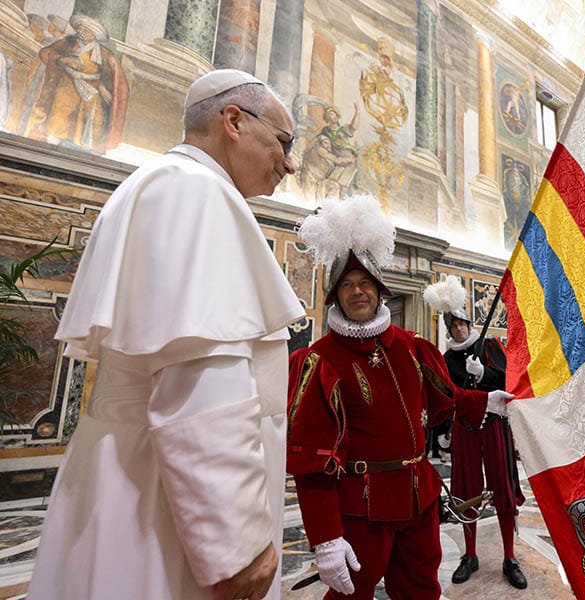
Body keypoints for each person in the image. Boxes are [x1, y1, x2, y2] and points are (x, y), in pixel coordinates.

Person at [27, 69, 305, 600]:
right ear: (233, 122)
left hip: (142, 483)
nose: (289, 164)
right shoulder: (197, 194)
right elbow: (201, 385)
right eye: (284, 142)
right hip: (162, 509)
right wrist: (238, 543)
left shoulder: (160, 185)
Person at [287, 195, 513, 599]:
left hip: (418, 499)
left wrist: (488, 401)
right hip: (361, 508)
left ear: (380, 291)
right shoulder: (319, 361)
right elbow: (310, 460)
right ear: (335, 296)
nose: (358, 292)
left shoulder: (412, 347)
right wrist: (326, 538)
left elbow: (447, 400)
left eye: (365, 284)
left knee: (421, 591)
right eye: (348, 286)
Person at [424, 276, 527, 589]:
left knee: (503, 490)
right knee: (465, 491)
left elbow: (509, 382)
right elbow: (443, 395)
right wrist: (442, 431)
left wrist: (486, 373)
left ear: (469, 322)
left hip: (495, 425)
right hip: (464, 429)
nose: (459, 328)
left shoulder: (491, 347)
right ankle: (469, 554)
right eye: (452, 324)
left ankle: (510, 556)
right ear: (447, 327)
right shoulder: (445, 359)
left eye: (462, 323)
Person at [21, 14, 128, 153]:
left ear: (93, 35)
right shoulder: (68, 43)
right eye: (80, 29)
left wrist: (102, 87)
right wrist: (61, 59)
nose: (81, 33)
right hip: (65, 86)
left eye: (86, 31)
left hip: (90, 92)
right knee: (60, 111)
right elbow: (46, 52)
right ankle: (52, 142)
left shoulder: (105, 53)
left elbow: (112, 77)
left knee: (90, 119)